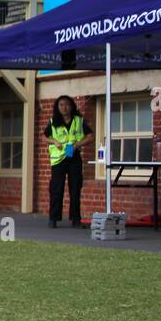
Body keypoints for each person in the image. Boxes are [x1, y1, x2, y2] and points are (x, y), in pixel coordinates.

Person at [44, 95, 93, 227]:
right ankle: (53, 218)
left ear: (71, 106)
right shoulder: (53, 121)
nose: (64, 107)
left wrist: (78, 144)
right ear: (57, 107)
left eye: (67, 104)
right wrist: (54, 141)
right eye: (61, 105)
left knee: (75, 188)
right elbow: (44, 137)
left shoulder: (79, 121)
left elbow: (90, 137)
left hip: (74, 156)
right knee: (56, 188)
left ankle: (75, 219)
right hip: (59, 159)